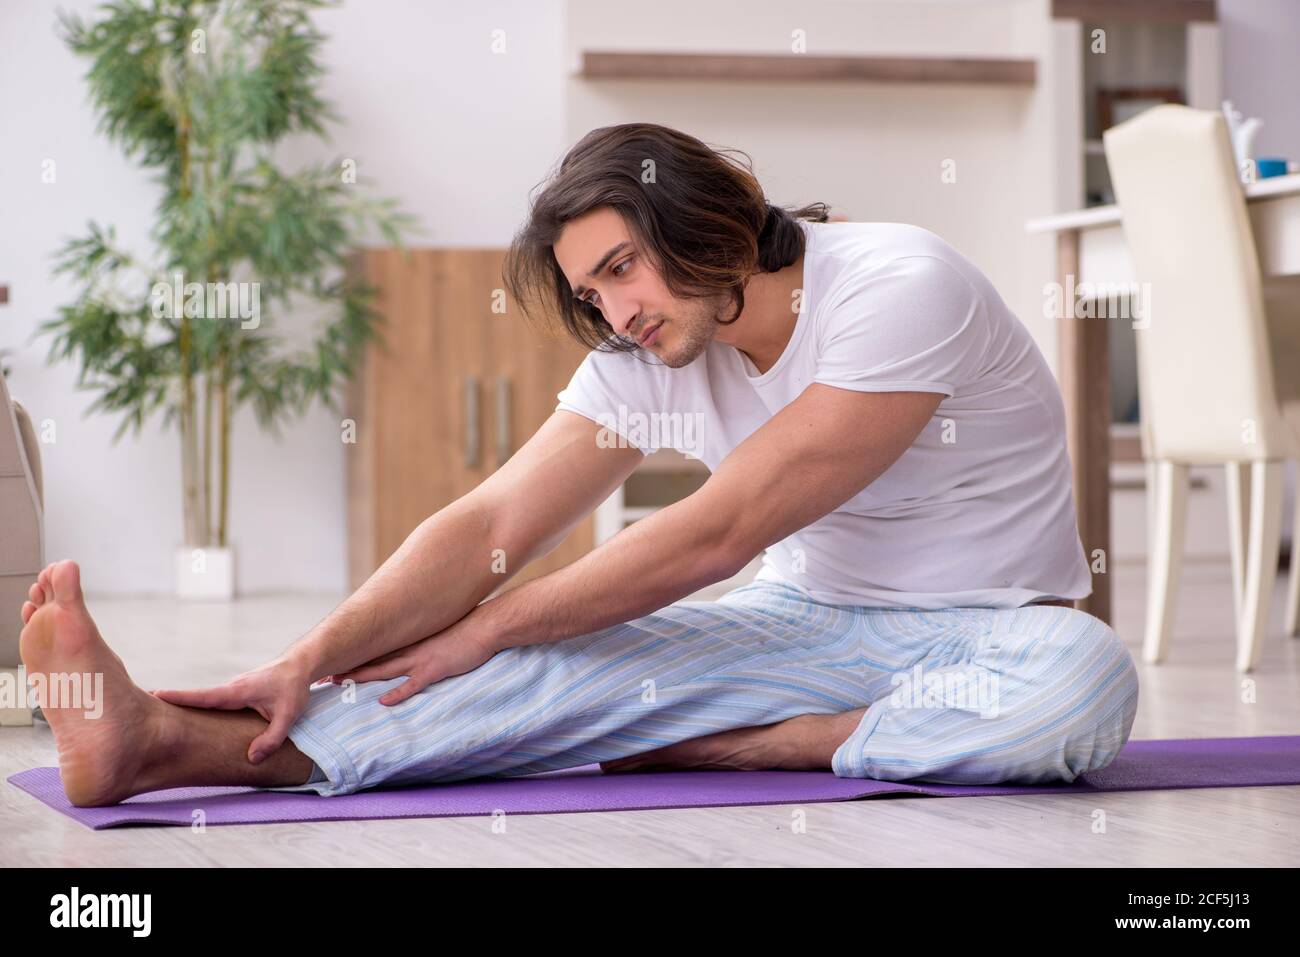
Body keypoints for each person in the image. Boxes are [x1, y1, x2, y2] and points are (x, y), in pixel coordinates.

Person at [19, 123, 1138, 807]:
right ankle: (160, 744)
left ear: (705, 222)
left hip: (989, 631)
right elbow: (494, 519)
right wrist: (309, 654)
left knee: (1083, 683)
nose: (614, 311)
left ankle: (750, 753)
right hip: (811, 624)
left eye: (622, 269)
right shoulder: (651, 341)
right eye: (591, 291)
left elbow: (717, 533)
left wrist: (491, 621)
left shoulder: (900, 286)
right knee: (541, 672)